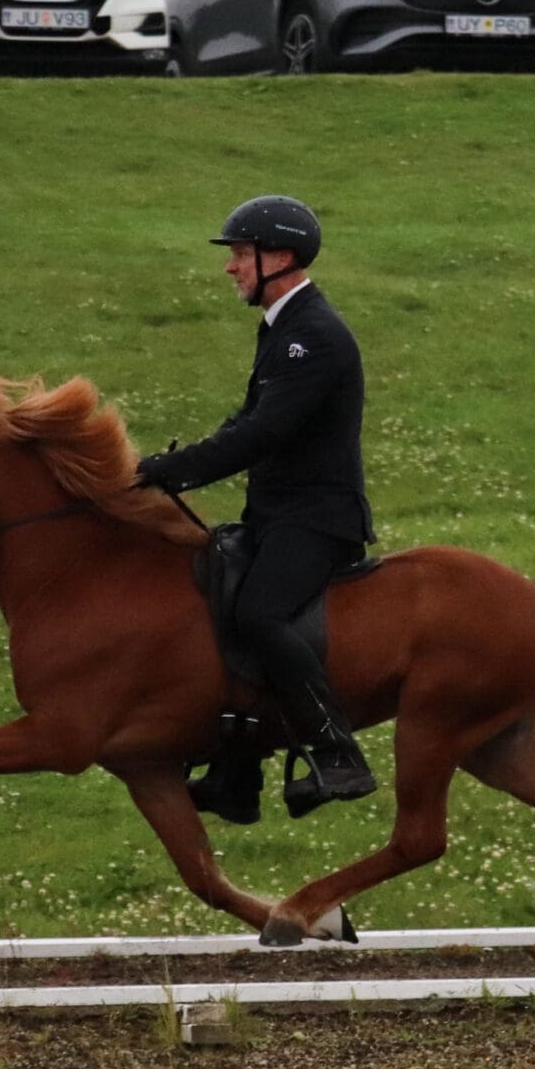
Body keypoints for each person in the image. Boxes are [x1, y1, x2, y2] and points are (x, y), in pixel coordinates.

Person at [135, 195, 376, 820]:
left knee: (261, 614)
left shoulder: (313, 336)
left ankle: (337, 751)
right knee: (214, 593)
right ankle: (236, 773)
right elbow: (246, 421)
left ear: (282, 258)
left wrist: (177, 470)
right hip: (277, 515)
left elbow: (262, 434)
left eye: (241, 255)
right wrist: (168, 466)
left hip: (318, 519)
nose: (231, 268)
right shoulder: (281, 328)